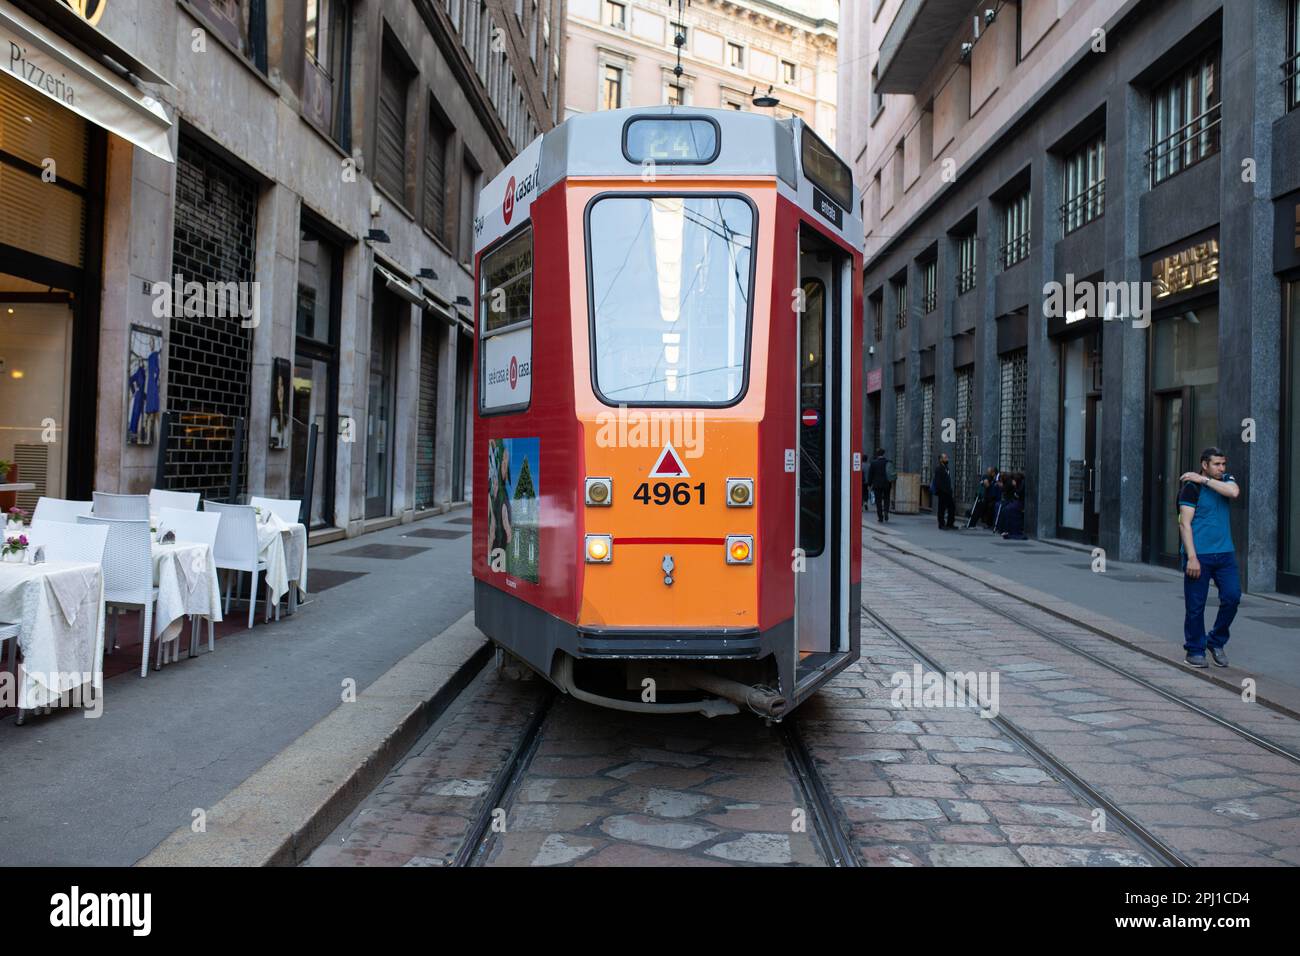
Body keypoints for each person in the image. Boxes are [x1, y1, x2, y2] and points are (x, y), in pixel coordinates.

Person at [1177, 447, 1241, 668]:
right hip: (1199, 555)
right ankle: (1195, 650)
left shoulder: (1224, 481)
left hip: (1225, 554)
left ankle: (1215, 640)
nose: (1222, 468)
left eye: (1223, 464)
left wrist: (1205, 481)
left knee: (1232, 597)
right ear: (1204, 465)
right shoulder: (1191, 488)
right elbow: (1184, 524)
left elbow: (1234, 492)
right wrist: (1192, 557)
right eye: (1217, 464)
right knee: (1196, 605)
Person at [866, 448, 891, 523]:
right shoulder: (888, 462)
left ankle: (880, 517)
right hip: (887, 484)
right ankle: (886, 511)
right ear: (883, 454)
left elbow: (870, 475)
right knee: (887, 498)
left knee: (878, 501)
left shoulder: (873, 463)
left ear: (877, 454)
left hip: (877, 484)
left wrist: (869, 484)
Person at [933, 453, 955, 529]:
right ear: (941, 459)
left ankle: (950, 523)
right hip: (943, 492)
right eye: (945, 458)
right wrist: (942, 491)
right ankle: (941, 524)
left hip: (948, 492)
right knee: (941, 509)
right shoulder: (939, 469)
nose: (947, 459)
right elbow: (938, 482)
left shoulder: (946, 468)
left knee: (951, 507)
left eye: (947, 457)